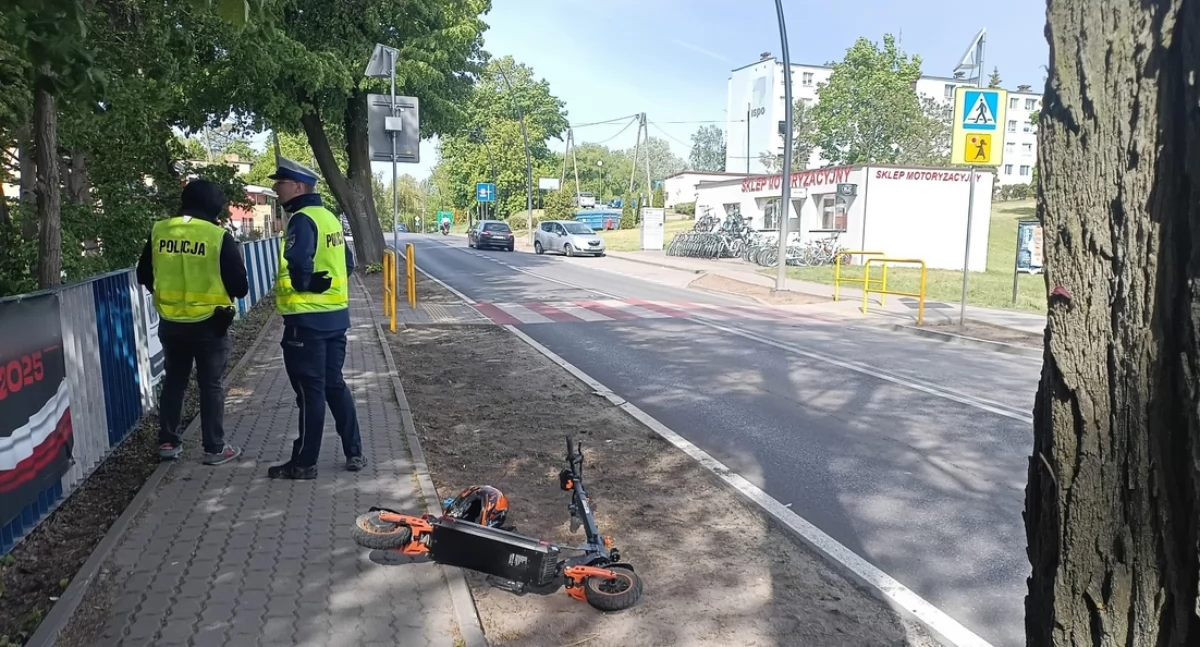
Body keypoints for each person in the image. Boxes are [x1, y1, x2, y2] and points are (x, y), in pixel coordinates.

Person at [136, 179, 248, 465]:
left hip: (171, 322)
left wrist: (167, 299)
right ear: (214, 205)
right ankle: (214, 448)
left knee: (175, 381)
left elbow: (143, 274)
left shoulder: (161, 230)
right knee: (210, 385)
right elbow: (239, 286)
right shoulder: (216, 235)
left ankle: (168, 442)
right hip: (211, 323)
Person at [267, 157, 365, 480]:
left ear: (297, 187)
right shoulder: (330, 219)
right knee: (334, 384)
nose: (275, 188)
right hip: (336, 320)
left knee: (311, 393)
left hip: (305, 324)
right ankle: (355, 452)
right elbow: (347, 264)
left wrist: (307, 284)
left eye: (279, 184)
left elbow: (298, 262)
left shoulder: (302, 220)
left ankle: (305, 462)